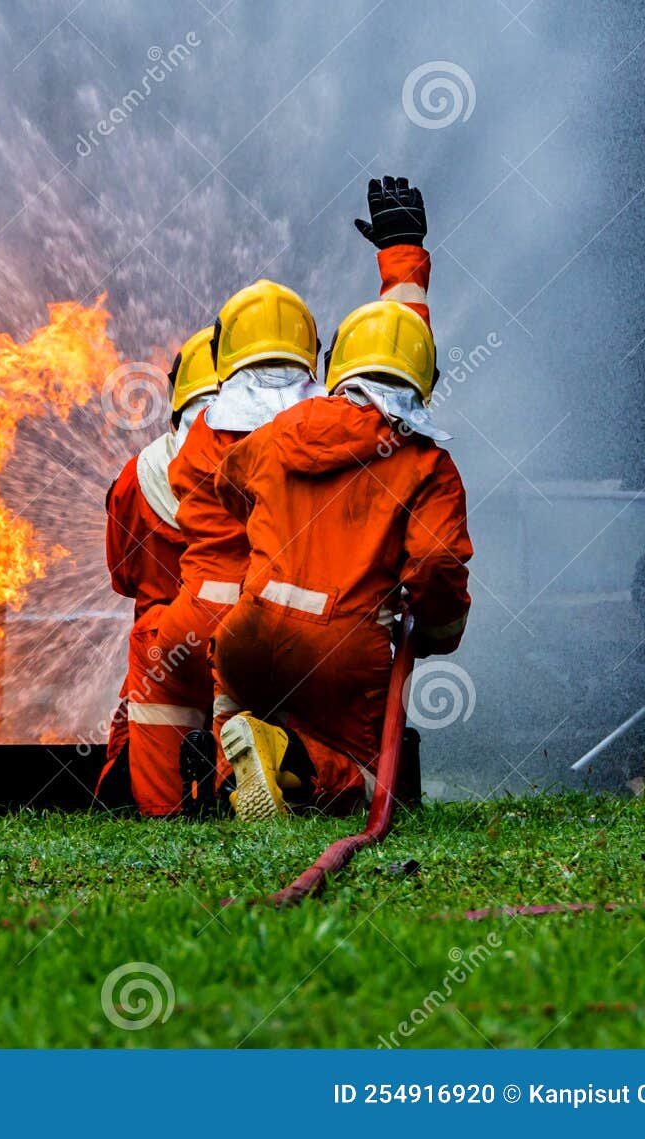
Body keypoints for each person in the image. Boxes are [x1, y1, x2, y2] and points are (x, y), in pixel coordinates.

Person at [211, 175, 473, 820]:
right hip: (341, 640)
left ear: (334, 364)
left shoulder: (280, 428)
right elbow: (437, 564)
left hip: (248, 626)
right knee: (358, 772)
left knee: (236, 708)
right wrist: (440, 628)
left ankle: (233, 780)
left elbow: (230, 485)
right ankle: (290, 765)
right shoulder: (423, 461)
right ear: (426, 380)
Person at [124, 281, 324, 816]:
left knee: (153, 647)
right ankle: (299, 777)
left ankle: (169, 804)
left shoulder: (182, 454)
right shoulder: (331, 427)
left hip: (198, 619)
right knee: (332, 716)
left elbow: (127, 575)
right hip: (303, 619)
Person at [98, 328, 218, 806]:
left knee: (154, 786)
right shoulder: (270, 463)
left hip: (160, 653)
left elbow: (123, 577)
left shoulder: (136, 475)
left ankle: (158, 799)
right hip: (252, 642)